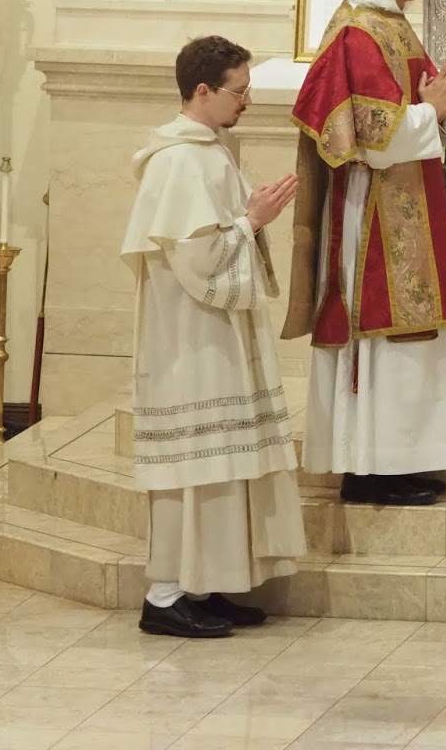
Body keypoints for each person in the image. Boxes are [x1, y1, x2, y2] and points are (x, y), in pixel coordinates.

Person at [120, 34, 306, 639]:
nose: (246, 100)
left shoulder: (209, 149)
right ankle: (165, 594)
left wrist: (250, 220)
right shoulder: (177, 160)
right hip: (189, 341)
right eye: (239, 90)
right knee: (194, 465)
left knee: (222, 463)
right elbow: (198, 261)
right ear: (203, 90)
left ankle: (207, 583)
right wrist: (252, 220)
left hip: (216, 334)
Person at [283, 0, 446, 506]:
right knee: (381, 339)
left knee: (409, 341)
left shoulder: (390, 23)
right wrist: (431, 114)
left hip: (406, 203)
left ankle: (396, 460)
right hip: (375, 217)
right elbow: (367, 133)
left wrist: (436, 118)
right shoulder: (360, 31)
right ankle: (368, 468)